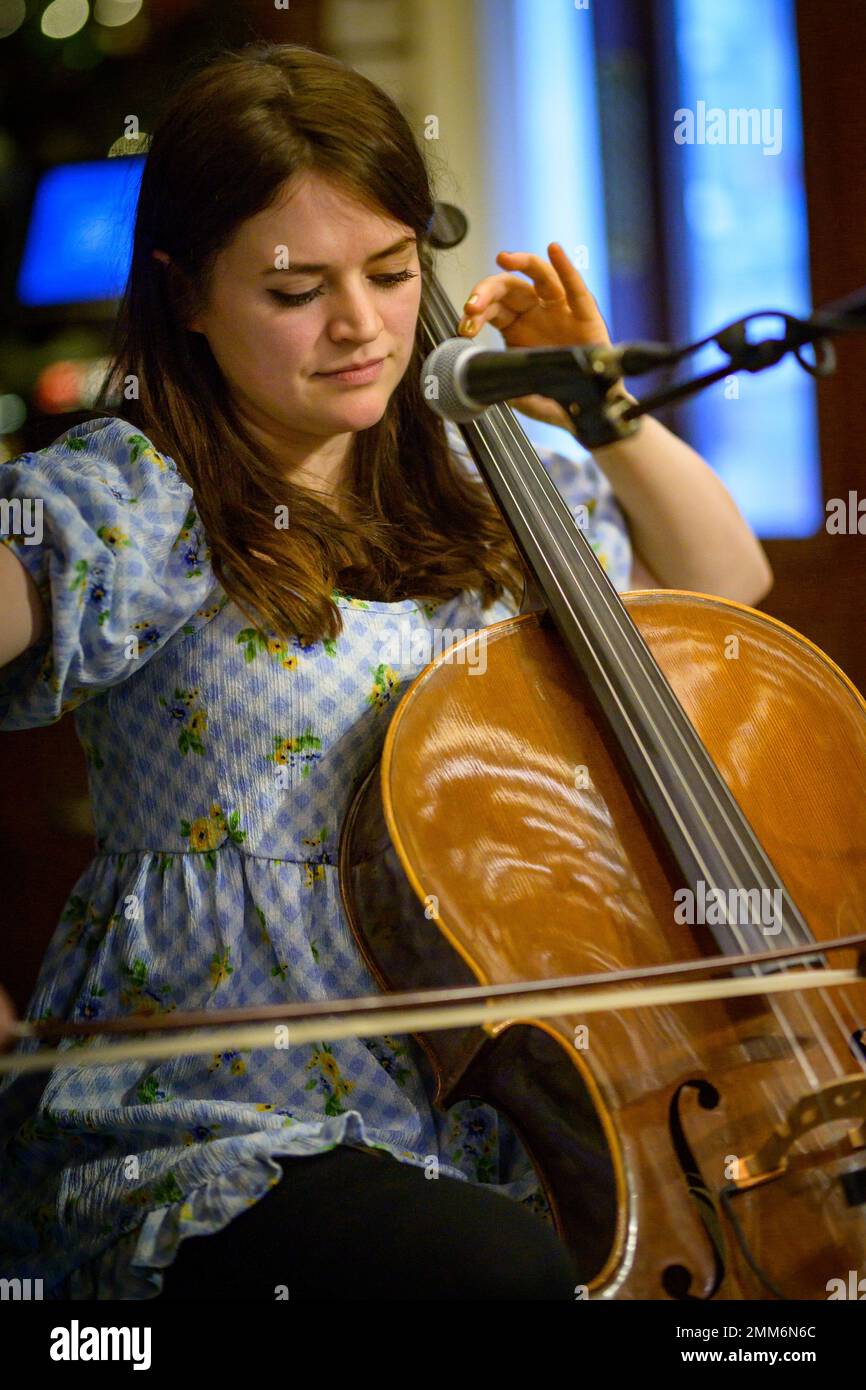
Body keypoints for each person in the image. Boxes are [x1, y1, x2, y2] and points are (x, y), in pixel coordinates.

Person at [0, 42, 772, 1302]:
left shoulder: (485, 485)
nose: (360, 325)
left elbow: (721, 583)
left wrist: (591, 400)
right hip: (211, 1119)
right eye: (295, 288)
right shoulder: (139, 498)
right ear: (185, 294)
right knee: (477, 1272)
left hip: (490, 1097)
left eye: (393, 270)